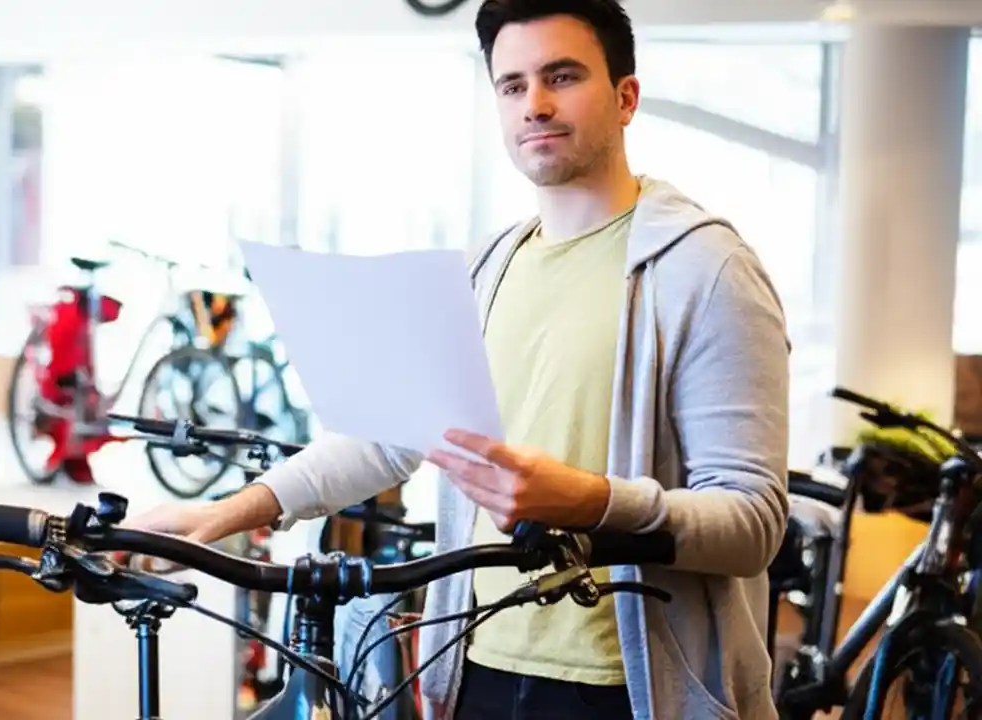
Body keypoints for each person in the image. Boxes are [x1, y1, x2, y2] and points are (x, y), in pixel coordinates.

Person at [127, 0, 790, 717]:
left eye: (561, 76)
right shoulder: (485, 271)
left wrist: (591, 502)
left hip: (628, 690)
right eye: (512, 85)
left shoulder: (706, 270)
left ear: (626, 97)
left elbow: (752, 524)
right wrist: (224, 514)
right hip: (477, 663)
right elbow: (388, 440)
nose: (534, 103)